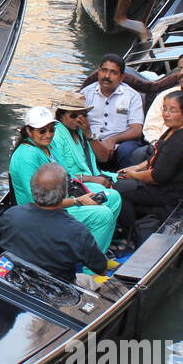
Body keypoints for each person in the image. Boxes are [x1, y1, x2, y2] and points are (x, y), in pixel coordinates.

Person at [9, 108, 118, 254]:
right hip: (43, 213)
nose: (48, 135)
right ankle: (91, 270)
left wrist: (84, 192)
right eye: (42, 131)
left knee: (113, 197)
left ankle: (94, 251)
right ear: (29, 131)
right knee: (103, 214)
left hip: (65, 196)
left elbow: (68, 175)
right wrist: (77, 201)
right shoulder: (26, 157)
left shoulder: (50, 146)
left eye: (51, 130)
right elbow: (40, 202)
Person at [0, 162, 108, 286]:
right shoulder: (76, 231)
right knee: (89, 281)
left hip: (16, 281)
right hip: (56, 290)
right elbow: (102, 269)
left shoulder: (11, 215)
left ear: (33, 189)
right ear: (64, 192)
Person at [113, 91, 183, 246]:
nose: (166, 114)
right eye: (165, 109)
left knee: (118, 189)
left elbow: (157, 176)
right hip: (170, 185)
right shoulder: (181, 129)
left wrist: (134, 174)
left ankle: (130, 234)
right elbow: (157, 154)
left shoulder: (179, 140)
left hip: (168, 193)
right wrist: (138, 166)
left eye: (172, 110)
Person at [47, 92, 124, 251]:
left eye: (82, 115)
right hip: (73, 184)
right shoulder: (56, 135)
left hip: (88, 178)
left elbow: (103, 158)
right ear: (61, 115)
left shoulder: (82, 132)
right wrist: (92, 179)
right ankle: (92, 250)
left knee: (116, 195)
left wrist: (89, 134)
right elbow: (63, 174)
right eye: (73, 116)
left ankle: (100, 245)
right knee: (109, 197)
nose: (78, 120)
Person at [82, 54, 145, 169]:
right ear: (98, 72)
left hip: (120, 144)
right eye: (104, 70)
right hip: (91, 141)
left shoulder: (132, 96)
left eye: (113, 72)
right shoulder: (86, 94)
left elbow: (136, 130)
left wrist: (112, 140)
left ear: (121, 77)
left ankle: (124, 182)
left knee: (128, 150)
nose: (107, 76)